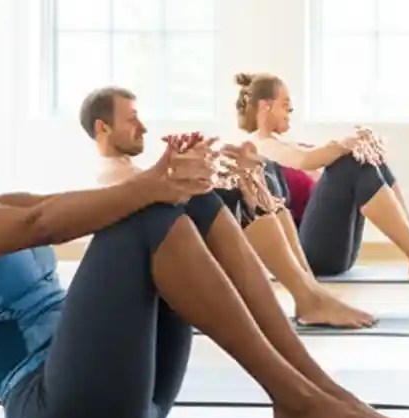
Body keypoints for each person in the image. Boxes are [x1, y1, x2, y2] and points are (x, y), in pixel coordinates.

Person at [0, 74, 408, 418]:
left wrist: (175, 180)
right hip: (59, 413)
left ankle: (313, 387)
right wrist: (152, 185)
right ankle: (293, 399)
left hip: (130, 394)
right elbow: (45, 224)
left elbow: (61, 206)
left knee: (186, 203)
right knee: (145, 215)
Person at [80, 86, 375, 329]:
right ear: (102, 127)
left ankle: (309, 291)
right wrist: (192, 171)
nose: (142, 127)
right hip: (161, 265)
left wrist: (197, 165)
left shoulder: (128, 169)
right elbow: (152, 202)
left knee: (243, 184)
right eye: (131, 119)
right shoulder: (108, 174)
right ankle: (308, 297)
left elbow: (159, 192)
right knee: (233, 189)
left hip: (178, 247)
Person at [235, 72, 409, 281]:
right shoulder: (257, 144)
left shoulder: (285, 144)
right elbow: (306, 159)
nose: (290, 113)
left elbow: (320, 158)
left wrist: (362, 145)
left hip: (330, 253)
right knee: (350, 162)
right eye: (285, 106)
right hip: (305, 256)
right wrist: (346, 145)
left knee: (365, 161)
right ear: (265, 107)